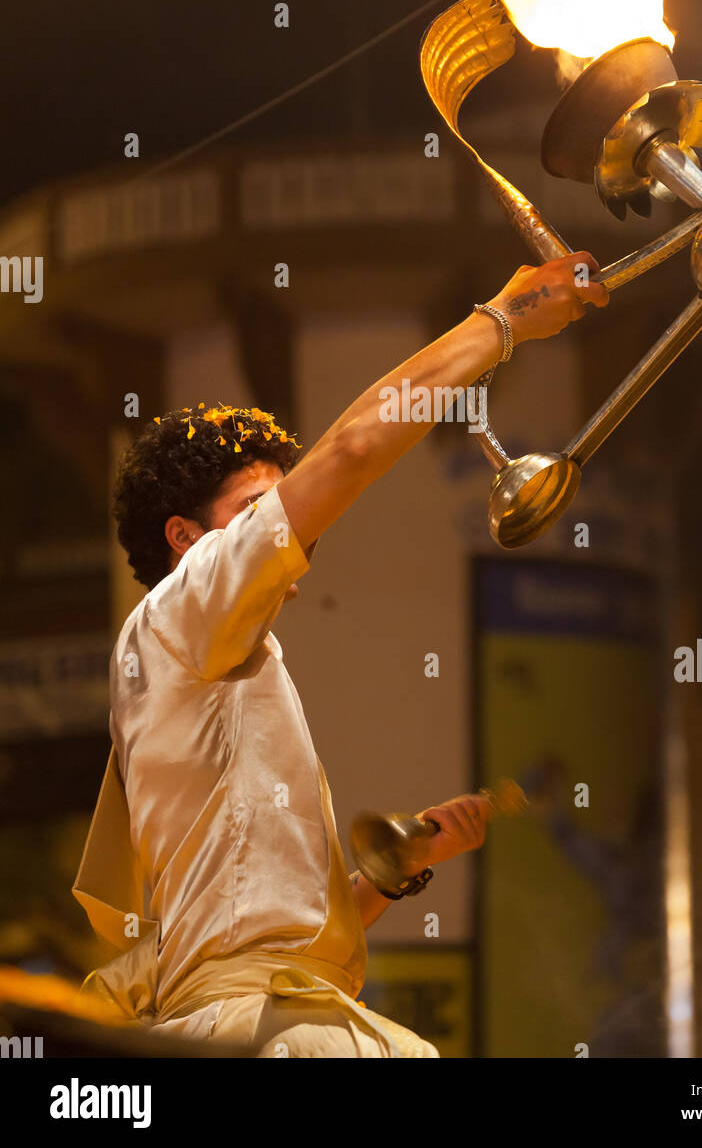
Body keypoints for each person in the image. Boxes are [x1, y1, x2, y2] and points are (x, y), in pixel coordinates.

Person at [72, 252, 609, 1057]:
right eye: (256, 510)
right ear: (185, 540)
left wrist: (392, 874)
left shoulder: (193, 662)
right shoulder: (179, 616)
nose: (298, 532)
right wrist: (504, 320)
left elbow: (266, 944)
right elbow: (353, 451)